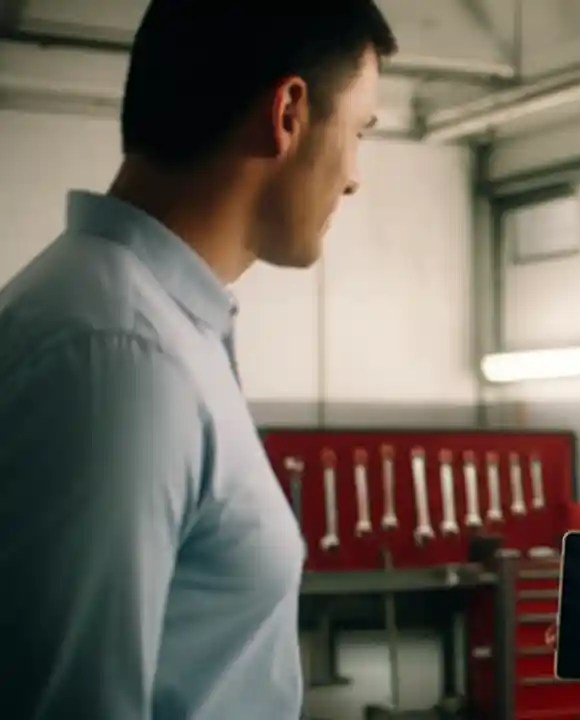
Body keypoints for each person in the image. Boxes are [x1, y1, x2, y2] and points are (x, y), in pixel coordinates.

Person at [0, 2, 396, 717]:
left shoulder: (147, 325)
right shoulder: (120, 356)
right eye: (359, 133)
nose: (354, 178)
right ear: (289, 113)